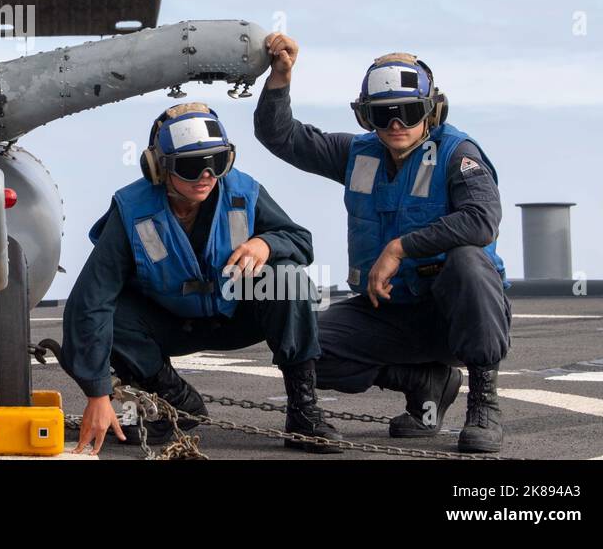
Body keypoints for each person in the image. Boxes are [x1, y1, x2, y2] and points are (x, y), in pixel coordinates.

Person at [253, 35, 511, 453]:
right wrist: (280, 76)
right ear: (365, 116)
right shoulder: (357, 154)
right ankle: (423, 381)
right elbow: (281, 136)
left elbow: (482, 220)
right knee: (304, 347)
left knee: (468, 262)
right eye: (383, 114)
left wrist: (399, 248)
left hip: (454, 311)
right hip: (389, 311)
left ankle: (484, 403)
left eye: (408, 112)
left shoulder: (457, 154)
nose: (396, 124)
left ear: (432, 110)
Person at [61, 102, 342, 455]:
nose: (207, 175)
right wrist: (97, 394)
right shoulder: (132, 210)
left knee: (288, 278)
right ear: (159, 168)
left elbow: (301, 240)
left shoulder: (243, 191)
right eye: (192, 167)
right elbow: (90, 301)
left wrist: (266, 243)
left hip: (237, 317)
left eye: (217, 162)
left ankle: (303, 411)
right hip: (167, 324)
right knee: (109, 314)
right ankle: (177, 402)